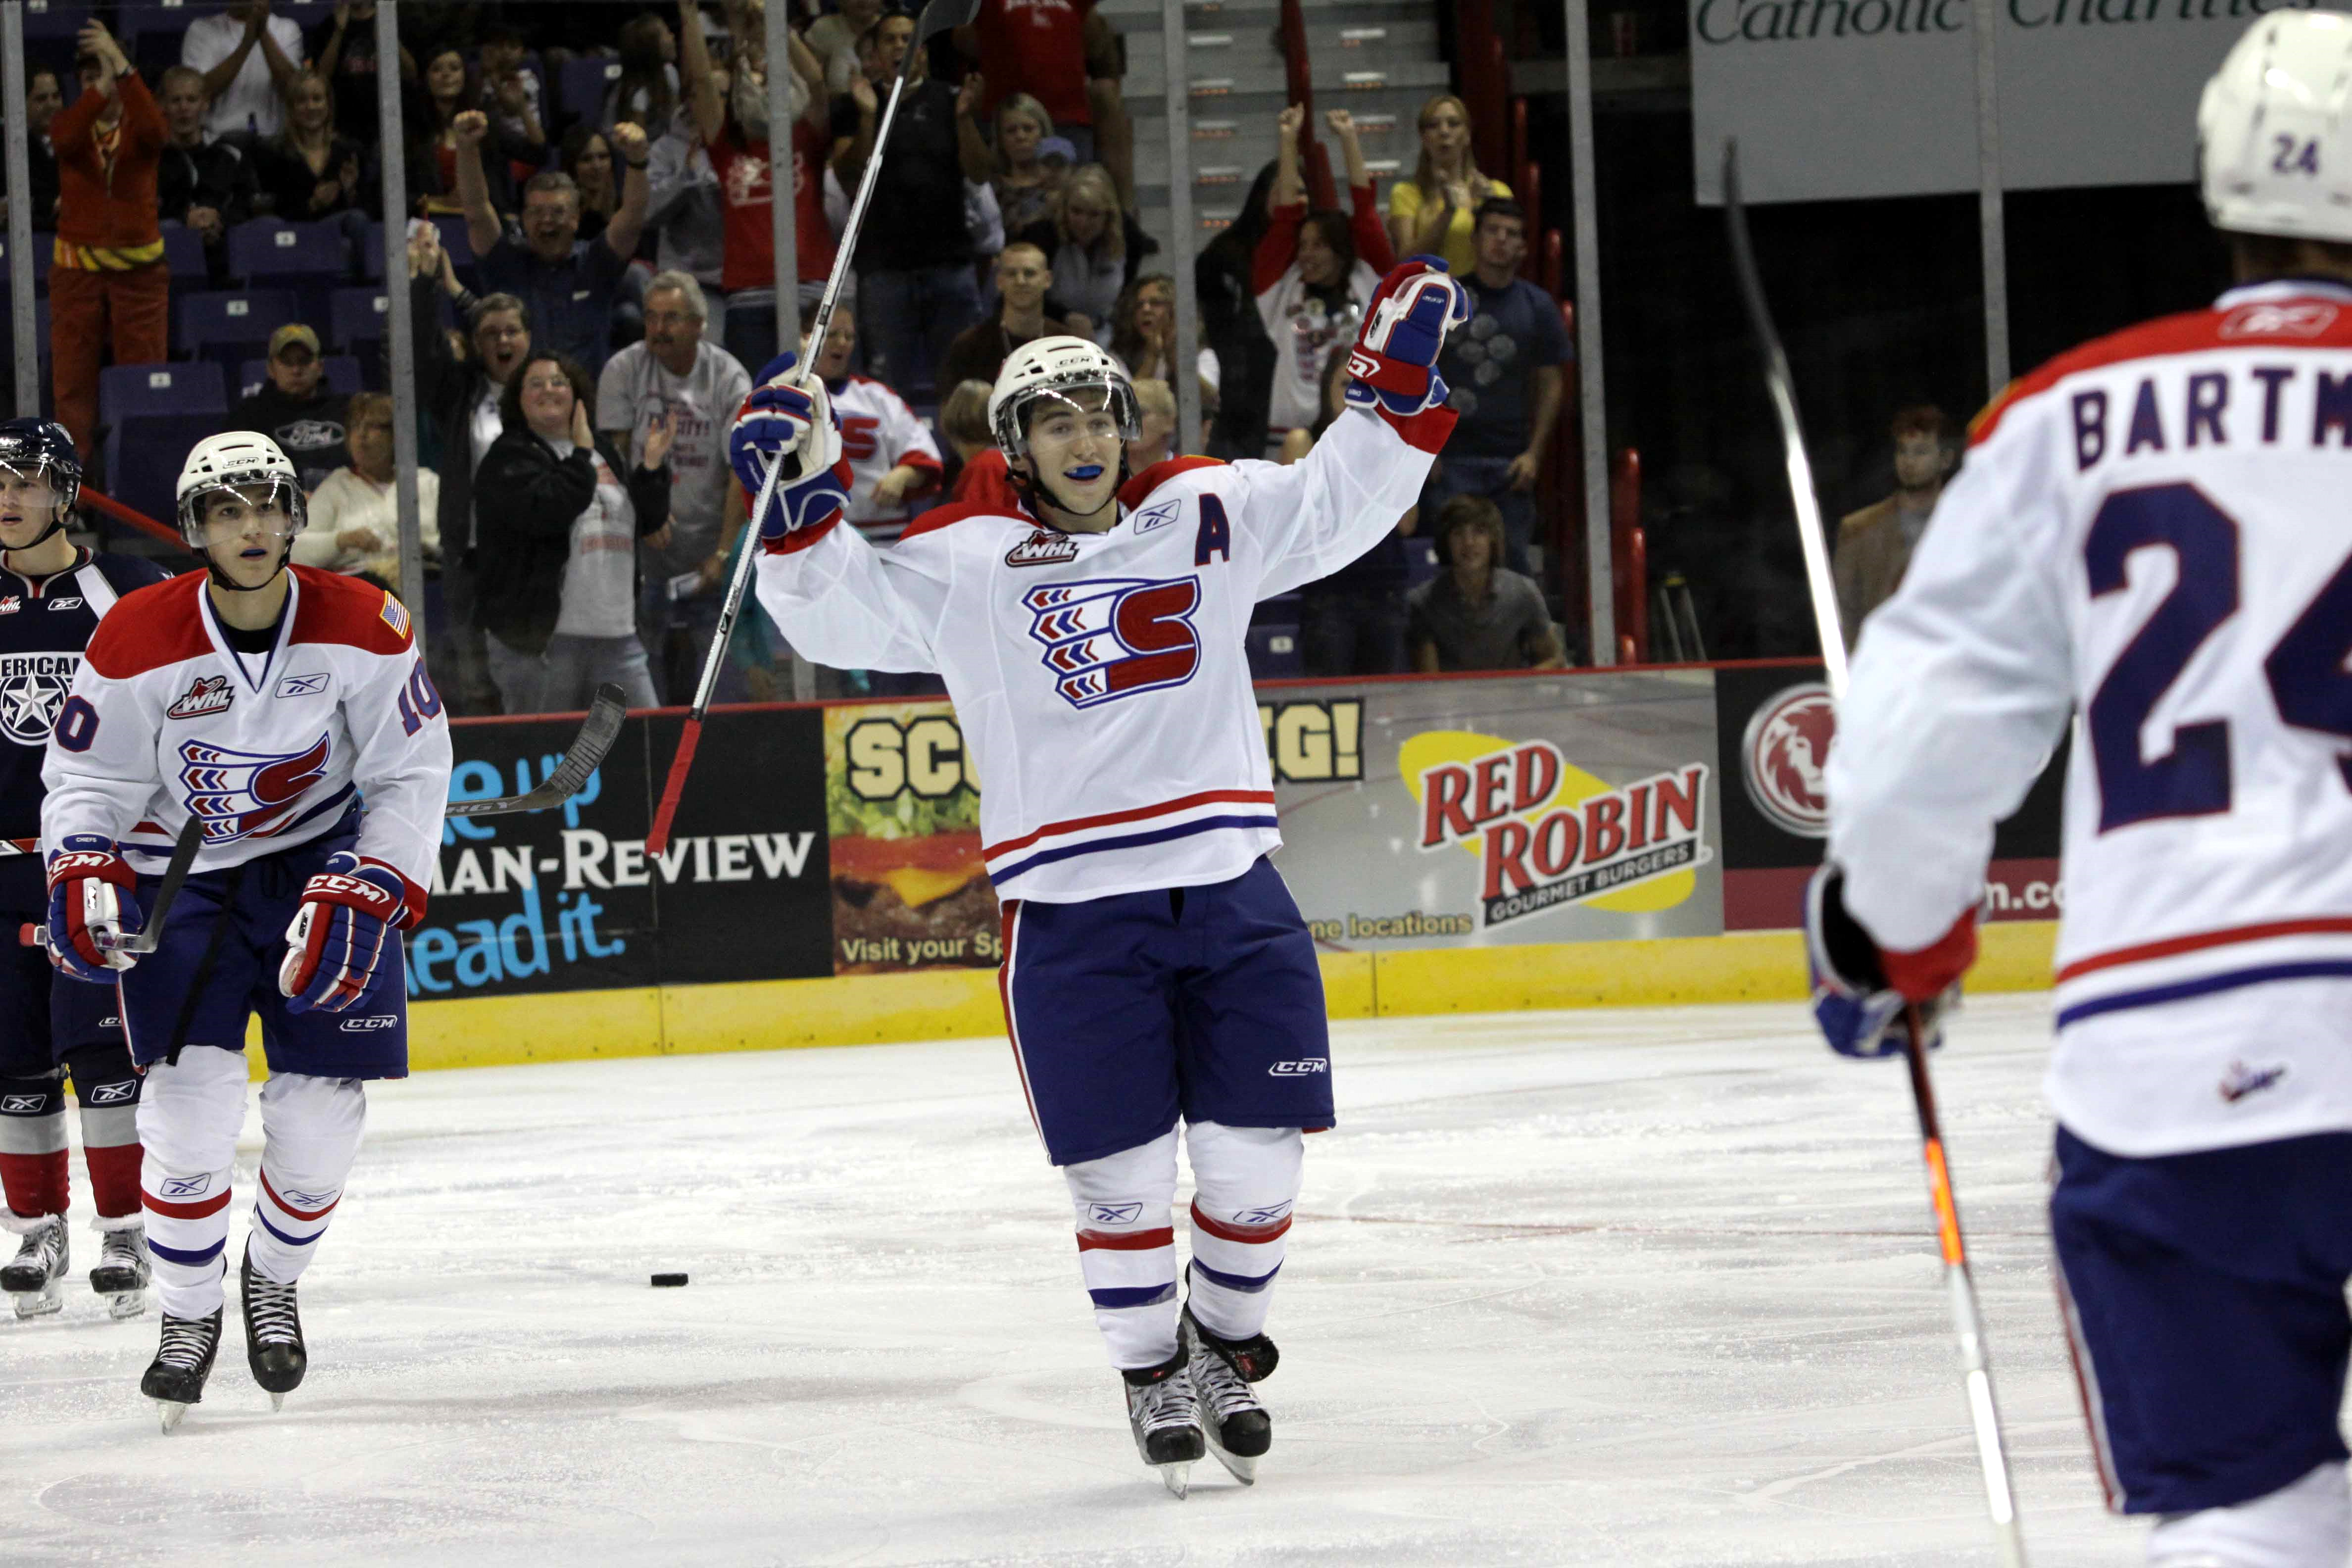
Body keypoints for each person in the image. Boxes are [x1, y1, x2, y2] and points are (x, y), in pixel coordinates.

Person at [727, 254, 1470, 1489]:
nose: (1083, 438)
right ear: (1014, 443)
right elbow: (832, 612)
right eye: (1054, 420)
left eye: (1099, 414)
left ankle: (1222, 1345)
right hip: (1070, 914)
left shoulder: (1210, 510)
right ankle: (1146, 1367)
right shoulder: (964, 561)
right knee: (1118, 1179)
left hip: (1230, 886)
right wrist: (794, 491)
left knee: (1255, 1156)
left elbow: (1340, 502)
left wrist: (1388, 396)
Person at [1809, 18, 2352, 1565]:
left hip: (2180, 1050)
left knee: (2246, 1524)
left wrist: (1889, 942)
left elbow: (1922, 744)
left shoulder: (2067, 420)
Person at [41, 430, 452, 1429]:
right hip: (181, 883)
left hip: (322, 871)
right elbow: (87, 779)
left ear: (293, 512)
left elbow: (411, 769)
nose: (254, 527)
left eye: (268, 504)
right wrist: (83, 859)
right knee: (188, 1109)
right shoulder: (135, 635)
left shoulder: (366, 621)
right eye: (229, 510)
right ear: (197, 528)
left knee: (316, 1127)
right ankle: (187, 1318)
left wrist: (382, 874)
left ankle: (271, 1278)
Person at [0, 420, 169, 1324]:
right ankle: (36, 1230)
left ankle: (126, 1230)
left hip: (91, 863)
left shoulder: (128, 591)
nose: (8, 498)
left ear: (66, 493)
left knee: (104, 1052)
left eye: (26, 482)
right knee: (13, 1061)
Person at [473, 353, 671, 714]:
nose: (548, 390)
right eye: (535, 384)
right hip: (544, 644)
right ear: (518, 400)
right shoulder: (507, 457)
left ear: (577, 395)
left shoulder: (603, 451)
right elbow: (548, 510)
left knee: (648, 751)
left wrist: (652, 469)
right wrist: (581, 453)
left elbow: (642, 524)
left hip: (618, 635)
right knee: (550, 762)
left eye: (559, 382)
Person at [595, 272, 753, 703]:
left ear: (701, 326)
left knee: (718, 682)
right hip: (641, 555)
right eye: (651, 318)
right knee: (643, 683)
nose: (659, 330)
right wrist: (646, 517)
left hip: (707, 546)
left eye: (672, 319)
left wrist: (723, 553)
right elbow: (611, 465)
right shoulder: (623, 370)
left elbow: (740, 470)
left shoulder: (727, 376)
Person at [406, 219, 533, 715]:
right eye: (490, 334)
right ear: (477, 344)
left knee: (531, 671)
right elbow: (422, 350)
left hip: (533, 559)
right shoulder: (460, 395)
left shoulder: (552, 388)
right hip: (471, 557)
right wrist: (424, 282)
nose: (503, 340)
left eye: (512, 331)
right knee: (476, 676)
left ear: (529, 337)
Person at [677, 0, 838, 374]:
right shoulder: (725, 144)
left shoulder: (804, 138)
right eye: (752, 78)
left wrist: (776, 25)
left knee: (820, 403)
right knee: (760, 405)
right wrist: (688, 13)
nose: (760, 87)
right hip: (749, 295)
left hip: (811, 289)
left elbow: (815, 82)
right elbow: (702, 83)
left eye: (769, 76)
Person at [839, 9, 993, 401]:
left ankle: (966, 463)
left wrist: (963, 120)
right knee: (888, 388)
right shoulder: (858, 102)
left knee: (962, 385)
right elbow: (852, 174)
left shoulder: (951, 99)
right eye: (889, 39)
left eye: (908, 39)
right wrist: (869, 116)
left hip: (949, 264)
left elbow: (979, 172)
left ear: (922, 51)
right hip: (884, 269)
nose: (899, 47)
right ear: (873, 53)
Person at [1419, 198, 1571, 577]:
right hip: (1450, 459)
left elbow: (1552, 383)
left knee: (1512, 570)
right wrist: (1423, 449)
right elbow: (1416, 371)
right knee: (1446, 572)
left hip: (1511, 461)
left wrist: (1535, 453)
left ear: (1523, 246)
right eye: (1492, 231)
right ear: (1474, 239)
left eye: (1512, 234)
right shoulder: (1444, 300)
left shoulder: (1538, 306)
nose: (1501, 240)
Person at [48, 20, 168, 462]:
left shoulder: (140, 130)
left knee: (143, 377)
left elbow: (157, 131)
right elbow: (61, 139)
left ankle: (141, 471)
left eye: (107, 73)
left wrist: (123, 69)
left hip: (139, 275)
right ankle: (75, 486)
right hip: (76, 272)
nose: (98, 83)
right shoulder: (73, 128)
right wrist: (102, 87)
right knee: (73, 385)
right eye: (86, 76)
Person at [459, 110, 651, 379]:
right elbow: (477, 211)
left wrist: (637, 161)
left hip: (586, 410)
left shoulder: (596, 263)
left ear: (575, 219)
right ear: (524, 220)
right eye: (537, 213)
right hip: (519, 409)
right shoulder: (504, 264)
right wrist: (467, 148)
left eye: (558, 212)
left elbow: (632, 216)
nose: (547, 220)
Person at [1253, 107, 1392, 449]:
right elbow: (1286, 217)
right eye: (1303, 246)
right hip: (1290, 438)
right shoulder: (1281, 288)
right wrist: (1288, 140)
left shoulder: (1369, 279)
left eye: (1319, 246)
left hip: (1361, 430)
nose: (1306, 255)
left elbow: (1365, 212)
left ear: (1341, 250)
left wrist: (1349, 138)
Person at [1285, 349, 1414, 675]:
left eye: (1365, 386)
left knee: (1386, 711)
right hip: (1328, 594)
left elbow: (1407, 523)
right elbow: (1295, 523)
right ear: (1327, 388)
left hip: (1384, 591)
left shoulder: (1394, 444)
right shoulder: (1305, 442)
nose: (1355, 394)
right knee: (1332, 706)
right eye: (1345, 384)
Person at [954, 0, 1133, 207]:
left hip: (1068, 120)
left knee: (1074, 204)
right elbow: (962, 39)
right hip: (1010, 119)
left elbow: (1096, 40)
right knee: (1008, 205)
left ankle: (1123, 218)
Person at [802, 305, 942, 546]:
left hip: (882, 538)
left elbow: (926, 458)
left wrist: (903, 475)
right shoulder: (785, 396)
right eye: (833, 334)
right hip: (813, 540)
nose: (843, 343)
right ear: (806, 338)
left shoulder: (878, 397)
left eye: (849, 336)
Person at [1833, 405, 1952, 646]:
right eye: (1903, 451)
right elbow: (1843, 613)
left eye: (1920, 452)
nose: (1909, 461)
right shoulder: (1859, 529)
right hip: (1882, 663)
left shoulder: (1967, 523)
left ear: (1946, 459)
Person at [301, 392, 441, 592]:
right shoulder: (336, 486)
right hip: (360, 593)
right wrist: (341, 540)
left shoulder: (425, 482)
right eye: (355, 427)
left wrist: (426, 548)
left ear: (395, 435)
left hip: (426, 587)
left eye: (373, 426)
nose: (362, 435)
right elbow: (297, 552)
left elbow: (454, 542)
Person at [1406, 496, 1564, 673]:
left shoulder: (1523, 592)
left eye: (1479, 532)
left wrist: (1515, 687)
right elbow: (1429, 683)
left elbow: (1554, 659)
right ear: (1446, 541)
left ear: (1493, 540)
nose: (1469, 543)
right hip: (1450, 698)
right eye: (1459, 533)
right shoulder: (1422, 602)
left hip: (1511, 697)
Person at [1015, 163, 1150, 343]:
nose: (1084, 223)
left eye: (1094, 215)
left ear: (1108, 216)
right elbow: (1021, 293)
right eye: (1076, 212)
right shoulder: (1042, 236)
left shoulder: (1128, 235)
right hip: (1047, 332)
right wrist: (1065, 317)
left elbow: (1129, 290)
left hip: (1106, 332)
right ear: (1064, 208)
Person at [155, 67, 260, 286]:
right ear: (163, 106)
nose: (184, 108)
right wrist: (185, 219)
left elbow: (246, 203)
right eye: (176, 101)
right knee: (170, 231)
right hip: (175, 247)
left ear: (205, 104)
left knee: (260, 229)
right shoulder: (151, 159)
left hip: (224, 242)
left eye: (191, 100)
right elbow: (146, 209)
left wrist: (219, 221)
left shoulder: (229, 154)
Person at [1384, 94, 1508, 278]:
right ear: (1424, 139)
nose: (1444, 132)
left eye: (1453, 124)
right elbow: (1406, 261)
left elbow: (1510, 252)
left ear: (1467, 135)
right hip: (1431, 296)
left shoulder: (1497, 192)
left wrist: (1489, 205)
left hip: (1484, 298)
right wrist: (1448, 213)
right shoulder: (1406, 193)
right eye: (1434, 126)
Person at [229, 325, 352, 496]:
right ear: (271, 369)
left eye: (305, 361)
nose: (296, 370)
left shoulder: (348, 410)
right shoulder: (249, 415)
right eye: (287, 362)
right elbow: (238, 476)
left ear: (320, 367)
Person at [938, 243, 1070, 397]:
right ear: (999, 281)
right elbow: (951, 414)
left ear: (1048, 280)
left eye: (1030, 273)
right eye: (1011, 274)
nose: (1020, 281)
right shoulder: (969, 346)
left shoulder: (1067, 344)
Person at [253, 71, 371, 226]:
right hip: (293, 235)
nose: (311, 107)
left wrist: (350, 192)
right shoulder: (275, 154)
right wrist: (313, 205)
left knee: (357, 219)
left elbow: (371, 212)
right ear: (292, 108)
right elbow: (270, 214)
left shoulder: (349, 152)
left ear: (328, 104)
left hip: (335, 232)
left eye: (317, 99)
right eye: (302, 101)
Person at [180, 0, 306, 144]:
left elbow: (293, 89)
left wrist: (262, 31)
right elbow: (199, 92)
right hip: (216, 142)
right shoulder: (201, 30)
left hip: (273, 142)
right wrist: (246, 44)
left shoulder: (287, 29)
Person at [312, 2, 409, 146]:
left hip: (389, 128)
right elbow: (320, 80)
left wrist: (389, 37)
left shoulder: (393, 19)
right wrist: (339, 32)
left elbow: (411, 73)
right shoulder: (328, 26)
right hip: (343, 130)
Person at [0, 67, 64, 231]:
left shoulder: (79, 141)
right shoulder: (6, 147)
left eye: (56, 97)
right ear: (21, 103)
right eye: (41, 99)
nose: (51, 105)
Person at [989, 92, 1058, 240]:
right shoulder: (989, 189)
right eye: (1011, 131)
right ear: (1000, 139)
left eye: (1028, 129)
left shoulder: (1061, 187)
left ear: (1043, 133)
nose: (1020, 137)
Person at [558, 125, 619, 247]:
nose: (597, 166)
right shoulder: (560, 213)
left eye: (603, 157)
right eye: (586, 159)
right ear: (572, 167)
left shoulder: (625, 206)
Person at [1127, 377, 1177, 470]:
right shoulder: (1103, 478)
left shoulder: (1187, 474)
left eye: (1141, 413)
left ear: (1169, 422)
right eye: (1124, 414)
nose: (1129, 421)